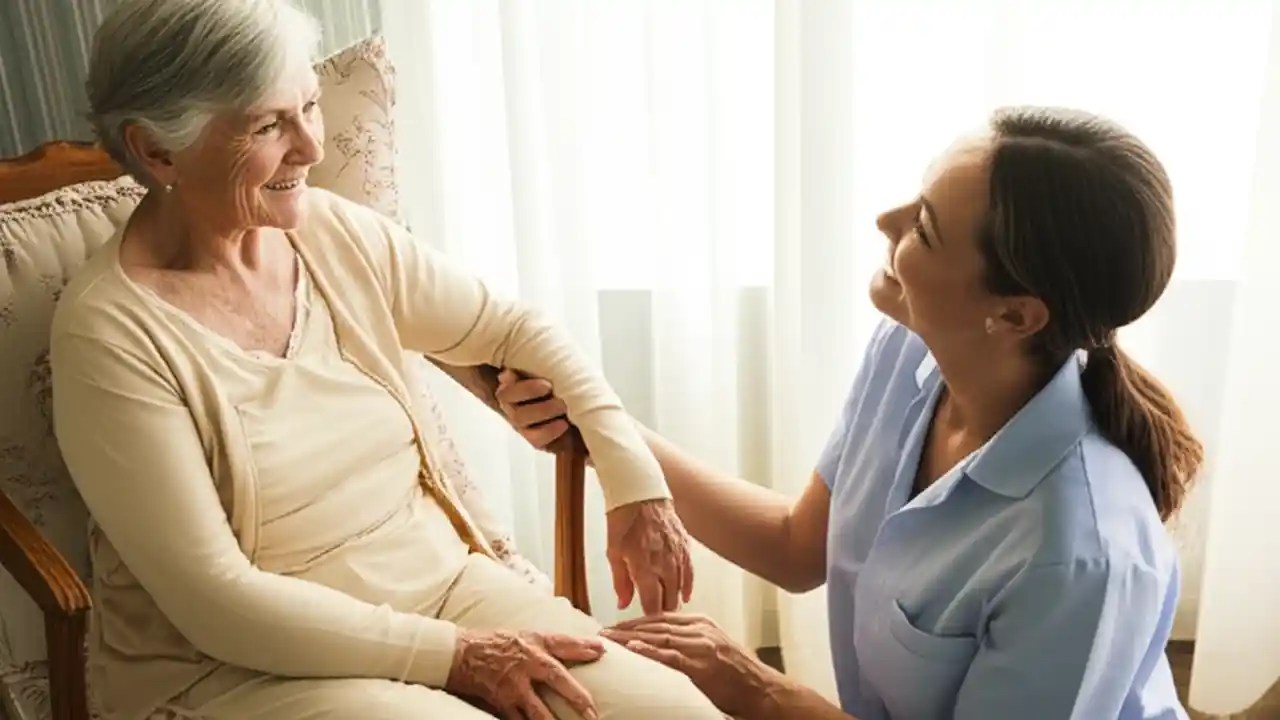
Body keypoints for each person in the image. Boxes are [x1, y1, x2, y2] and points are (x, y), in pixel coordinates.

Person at [50, 1, 721, 718]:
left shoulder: (331, 232)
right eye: (269, 124)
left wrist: (634, 482)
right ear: (156, 151)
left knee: (672, 708)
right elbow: (215, 601)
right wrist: (454, 658)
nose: (311, 146)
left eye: (308, 103)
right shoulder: (110, 337)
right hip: (244, 667)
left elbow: (509, 328)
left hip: (445, 591)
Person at [498, 106, 1202, 719]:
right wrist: (600, 430)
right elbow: (798, 545)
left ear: (1014, 314)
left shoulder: (1078, 558)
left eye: (923, 229)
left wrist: (755, 689)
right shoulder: (911, 346)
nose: (884, 221)